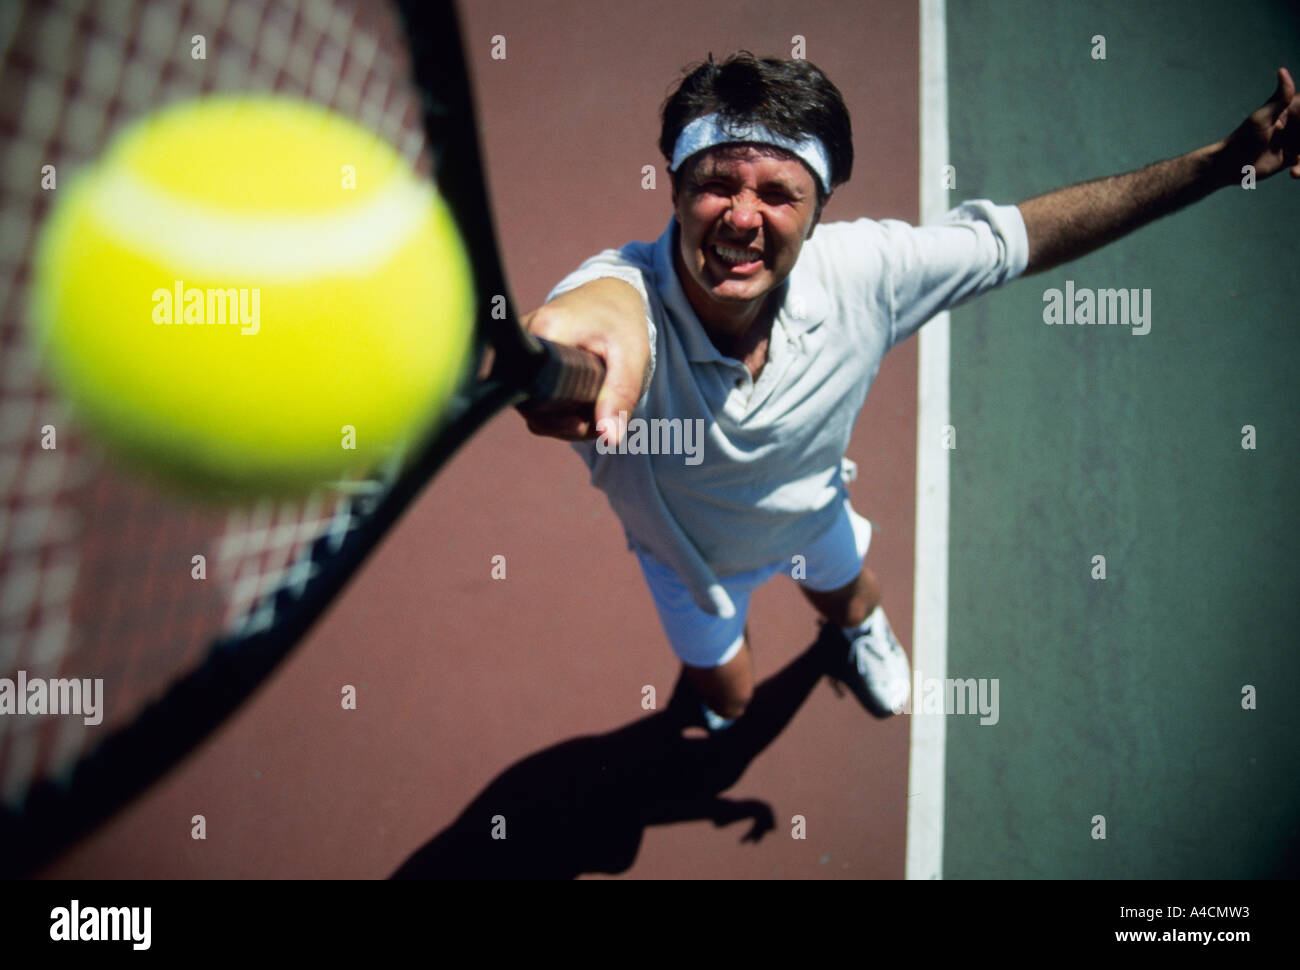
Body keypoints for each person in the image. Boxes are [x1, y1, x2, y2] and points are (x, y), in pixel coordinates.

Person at [520, 53, 1300, 732]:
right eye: (715, 185)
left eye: (779, 195)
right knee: (731, 701)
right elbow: (592, 314)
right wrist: (559, 351)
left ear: (821, 210)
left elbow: (1018, 239)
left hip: (810, 513)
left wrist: (1217, 163)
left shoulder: (870, 273)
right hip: (685, 564)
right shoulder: (621, 295)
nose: (743, 216)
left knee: (853, 600)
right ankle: (736, 695)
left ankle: (860, 634)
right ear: (675, 188)